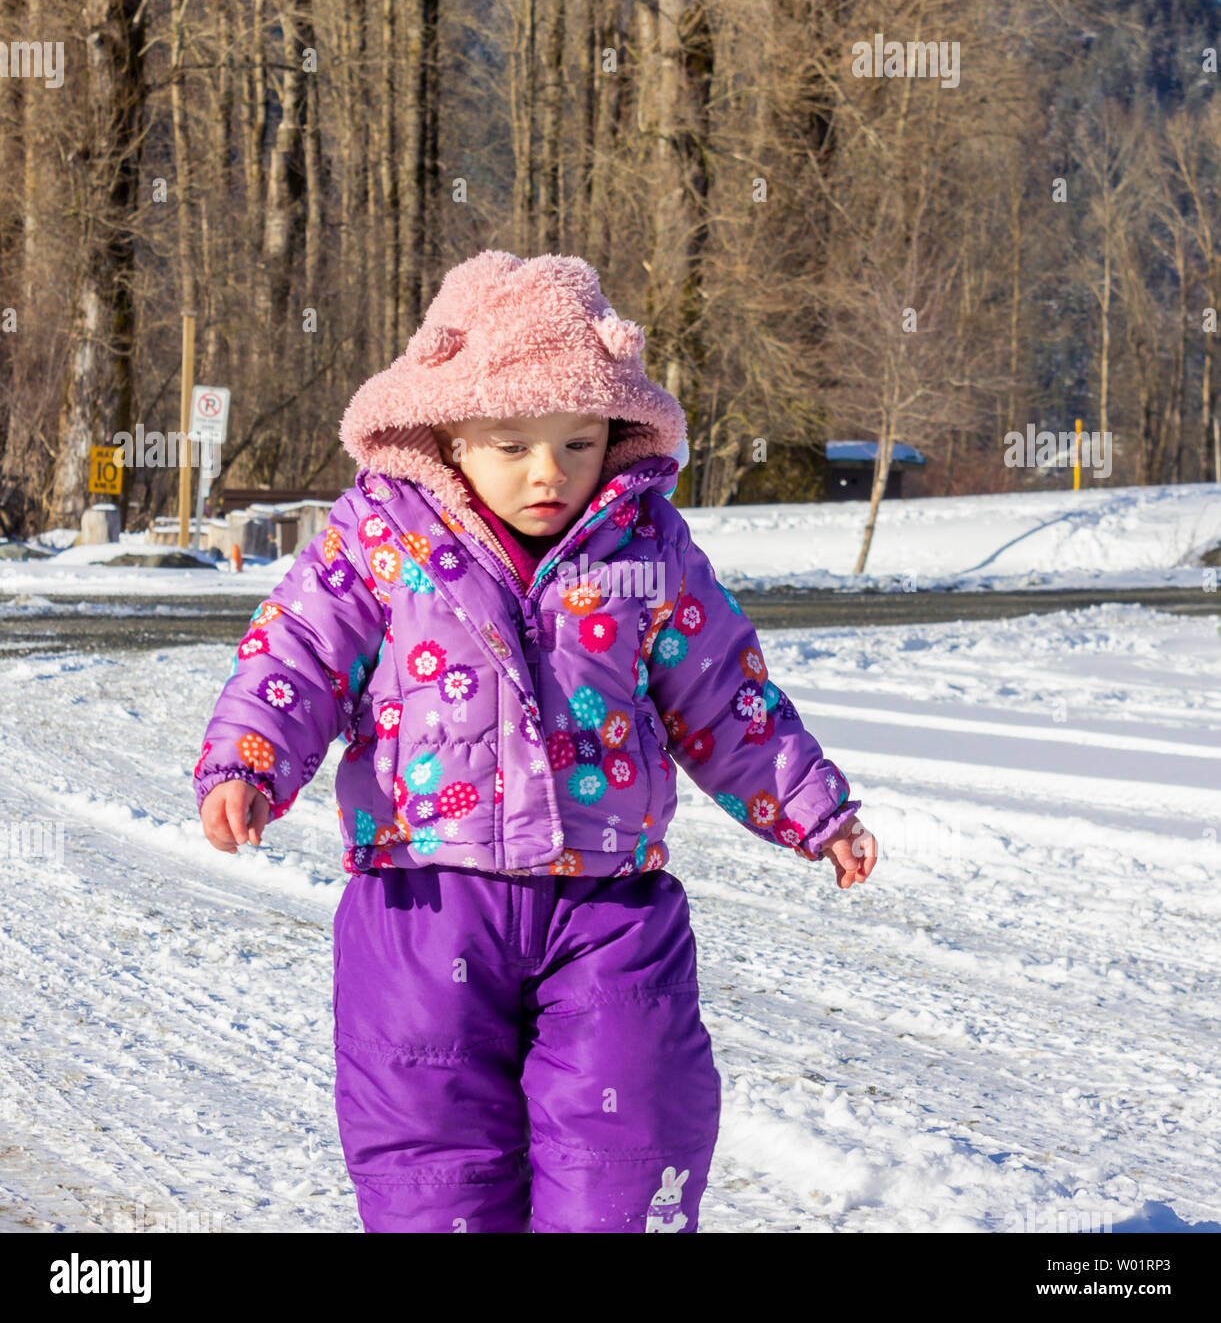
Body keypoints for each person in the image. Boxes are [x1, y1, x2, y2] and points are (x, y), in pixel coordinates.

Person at [196, 249, 878, 1233]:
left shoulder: (647, 549)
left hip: (609, 908)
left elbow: (725, 693)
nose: (548, 471)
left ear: (617, 429)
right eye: (511, 443)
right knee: (434, 1163)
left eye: (578, 439)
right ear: (447, 432)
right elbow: (297, 654)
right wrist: (250, 758)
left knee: (632, 1132)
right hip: (424, 903)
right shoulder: (381, 536)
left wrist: (817, 809)